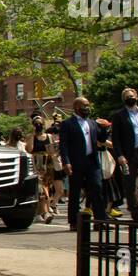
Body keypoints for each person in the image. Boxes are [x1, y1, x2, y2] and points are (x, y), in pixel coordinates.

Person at [57, 96, 110, 230]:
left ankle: (100, 221)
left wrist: (104, 128)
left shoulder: (92, 123)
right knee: (75, 192)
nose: (87, 108)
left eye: (88, 106)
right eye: (84, 106)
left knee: (97, 189)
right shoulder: (68, 124)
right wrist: (66, 162)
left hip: (92, 161)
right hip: (76, 162)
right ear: (76, 108)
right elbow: (63, 145)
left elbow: (101, 138)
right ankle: (74, 222)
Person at [110, 86, 138, 221]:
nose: (130, 99)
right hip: (129, 155)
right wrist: (120, 155)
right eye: (127, 97)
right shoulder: (119, 116)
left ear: (137, 97)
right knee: (130, 184)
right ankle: (134, 211)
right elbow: (115, 138)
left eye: (131, 96)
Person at [28, 115, 54, 224]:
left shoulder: (49, 136)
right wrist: (33, 136)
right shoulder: (32, 137)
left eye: (40, 124)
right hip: (36, 165)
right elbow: (29, 150)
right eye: (36, 124)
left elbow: (52, 151)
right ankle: (45, 212)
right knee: (41, 188)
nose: (39, 126)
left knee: (46, 188)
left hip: (47, 165)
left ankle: (41, 212)